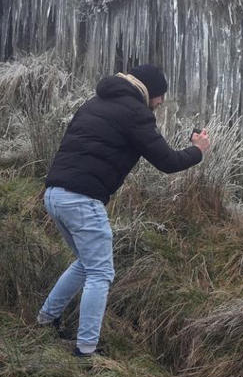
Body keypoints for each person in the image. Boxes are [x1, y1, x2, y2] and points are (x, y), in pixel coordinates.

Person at [36, 64, 210, 357]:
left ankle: (45, 319)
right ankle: (86, 351)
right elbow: (167, 161)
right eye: (160, 97)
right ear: (149, 91)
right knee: (101, 273)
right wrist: (198, 151)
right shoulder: (135, 112)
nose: (160, 103)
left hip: (54, 195)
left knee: (86, 263)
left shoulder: (96, 103)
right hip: (82, 199)